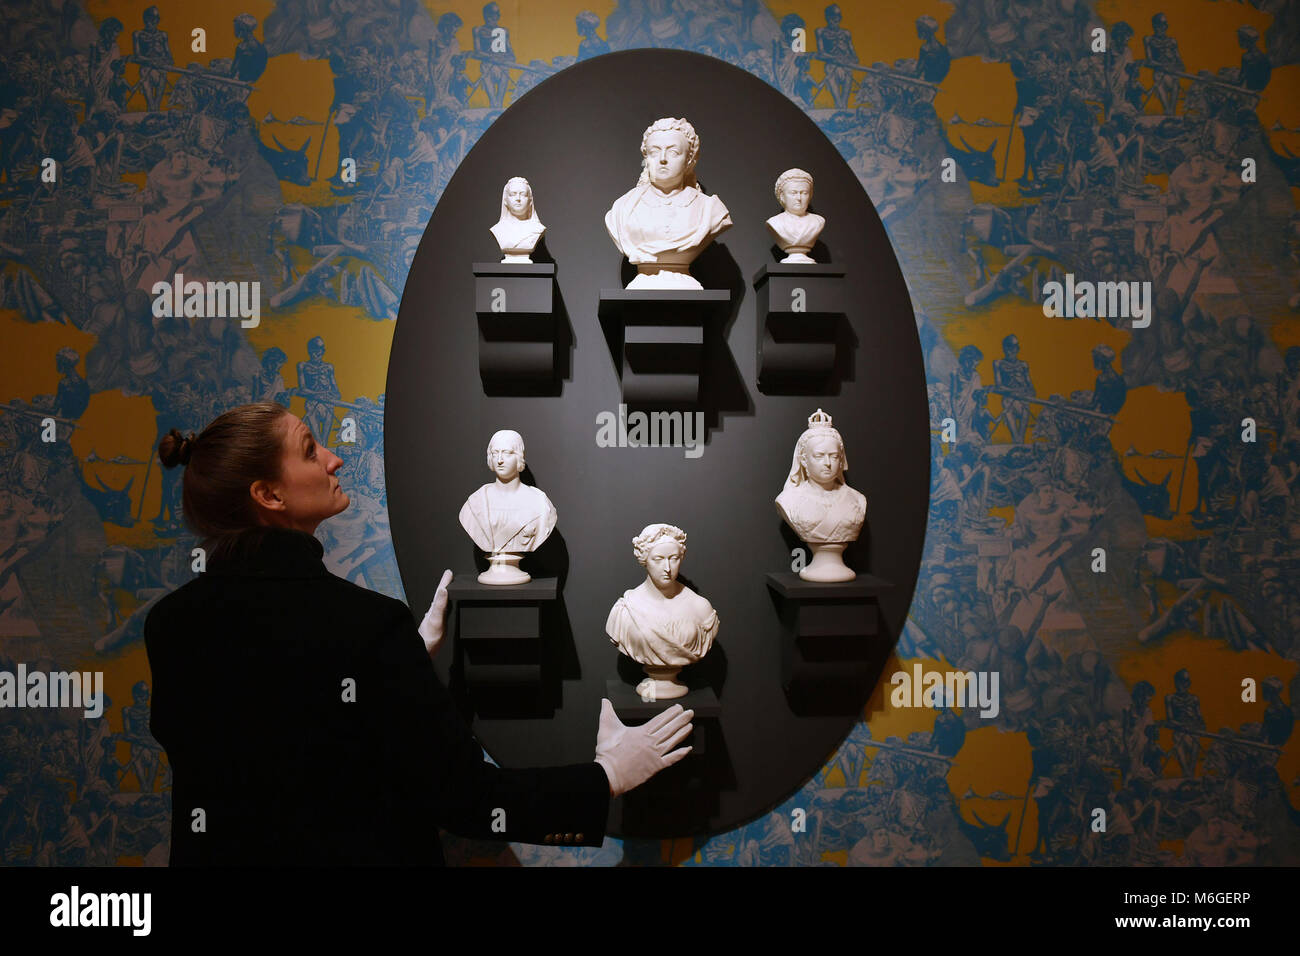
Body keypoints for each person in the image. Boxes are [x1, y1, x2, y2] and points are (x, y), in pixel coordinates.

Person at [144, 404, 693, 864]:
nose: (334, 458)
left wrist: (395, 667)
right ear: (268, 494)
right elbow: (464, 798)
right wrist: (608, 775)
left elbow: (278, 750)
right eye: (310, 449)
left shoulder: (170, 625)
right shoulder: (366, 626)